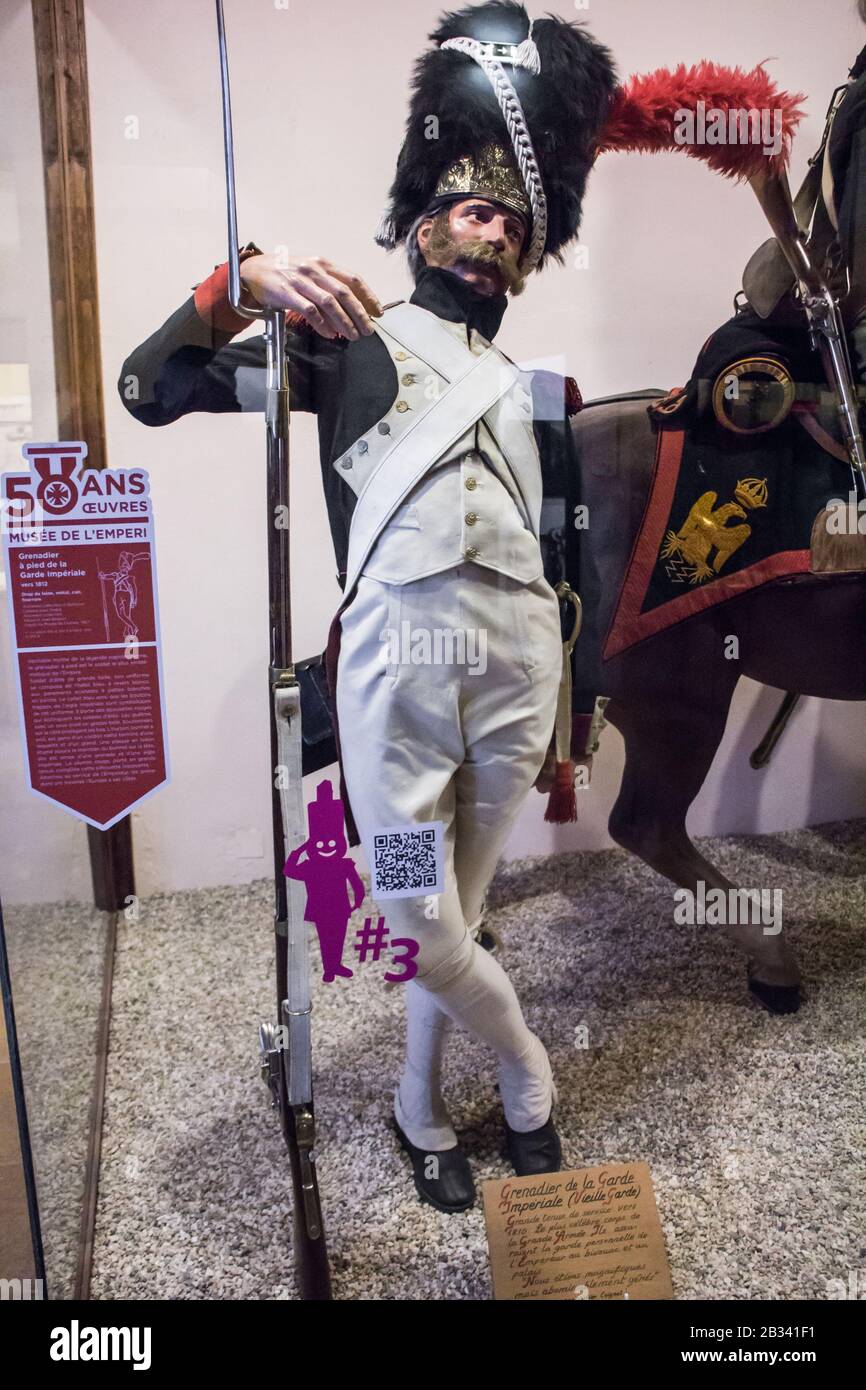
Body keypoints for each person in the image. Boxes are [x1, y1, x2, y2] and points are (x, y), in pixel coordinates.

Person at [119, 1, 616, 1213]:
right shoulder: (343, 348)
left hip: (515, 689)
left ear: (529, 245)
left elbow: (570, 567)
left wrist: (577, 711)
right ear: (422, 221)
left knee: (465, 900)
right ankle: (525, 1066)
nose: (488, 222)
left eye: (509, 212)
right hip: (396, 677)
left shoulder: (542, 391)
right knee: (414, 908)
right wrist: (236, 280)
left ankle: (413, 1104)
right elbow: (149, 388)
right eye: (466, 202)